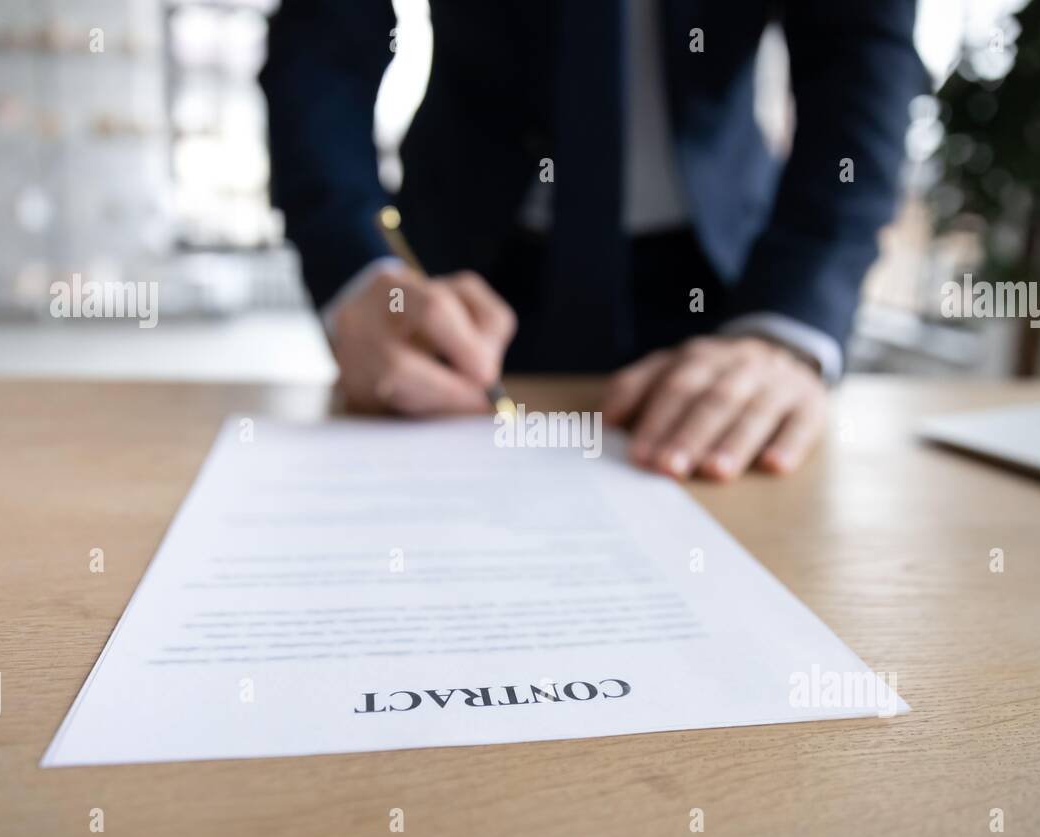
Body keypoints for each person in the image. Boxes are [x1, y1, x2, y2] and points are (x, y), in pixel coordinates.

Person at [260, 0, 925, 480]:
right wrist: (357, 266)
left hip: (723, 294)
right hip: (453, 294)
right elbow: (324, 41)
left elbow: (861, 55)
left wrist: (790, 321)